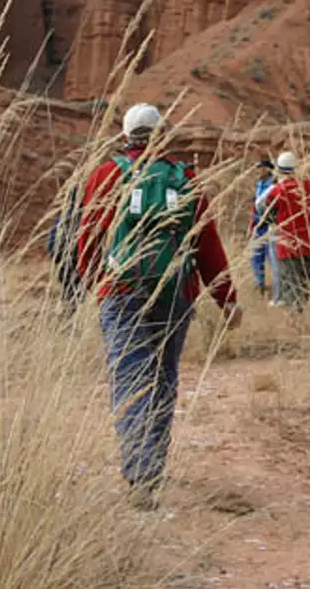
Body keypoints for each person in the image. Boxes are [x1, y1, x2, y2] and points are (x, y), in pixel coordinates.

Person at [76, 102, 243, 510]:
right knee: (163, 377)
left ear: (125, 135)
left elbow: (87, 236)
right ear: (162, 135)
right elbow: (208, 244)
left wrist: (94, 283)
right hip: (175, 292)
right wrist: (228, 300)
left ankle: (141, 472)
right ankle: (153, 463)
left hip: (121, 290)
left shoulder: (106, 174)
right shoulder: (184, 179)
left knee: (130, 377)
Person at [261, 151, 310, 318]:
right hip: (306, 242)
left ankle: (294, 317)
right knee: (304, 281)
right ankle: (299, 312)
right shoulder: (306, 186)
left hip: (286, 244)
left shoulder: (278, 190)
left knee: (289, 283)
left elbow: (267, 214)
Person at [46, 181, 84, 311]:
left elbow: (51, 244)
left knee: (68, 292)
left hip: (64, 265)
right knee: (77, 294)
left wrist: (57, 257)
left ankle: (69, 315)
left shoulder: (62, 219)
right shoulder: (86, 217)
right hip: (80, 265)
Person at [249, 160, 275, 297]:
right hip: (258, 226)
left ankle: (279, 286)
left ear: (267, 170)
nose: (257, 172)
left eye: (260, 169)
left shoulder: (273, 185)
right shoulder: (259, 185)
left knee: (272, 257)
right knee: (256, 256)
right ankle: (259, 284)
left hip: (269, 226)